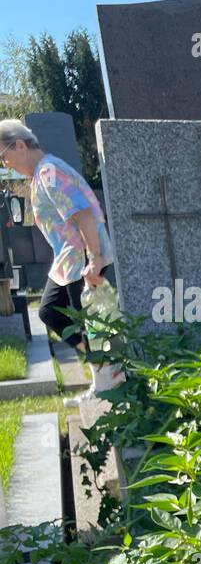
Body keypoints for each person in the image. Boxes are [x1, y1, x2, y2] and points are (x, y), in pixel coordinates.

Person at [0, 119, 122, 391]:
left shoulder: (49, 172)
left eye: (3, 157)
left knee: (87, 321)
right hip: (67, 260)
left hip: (83, 257)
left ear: (19, 145)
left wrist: (95, 259)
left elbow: (82, 214)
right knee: (50, 312)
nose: (4, 165)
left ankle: (110, 380)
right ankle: (105, 370)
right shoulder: (40, 176)